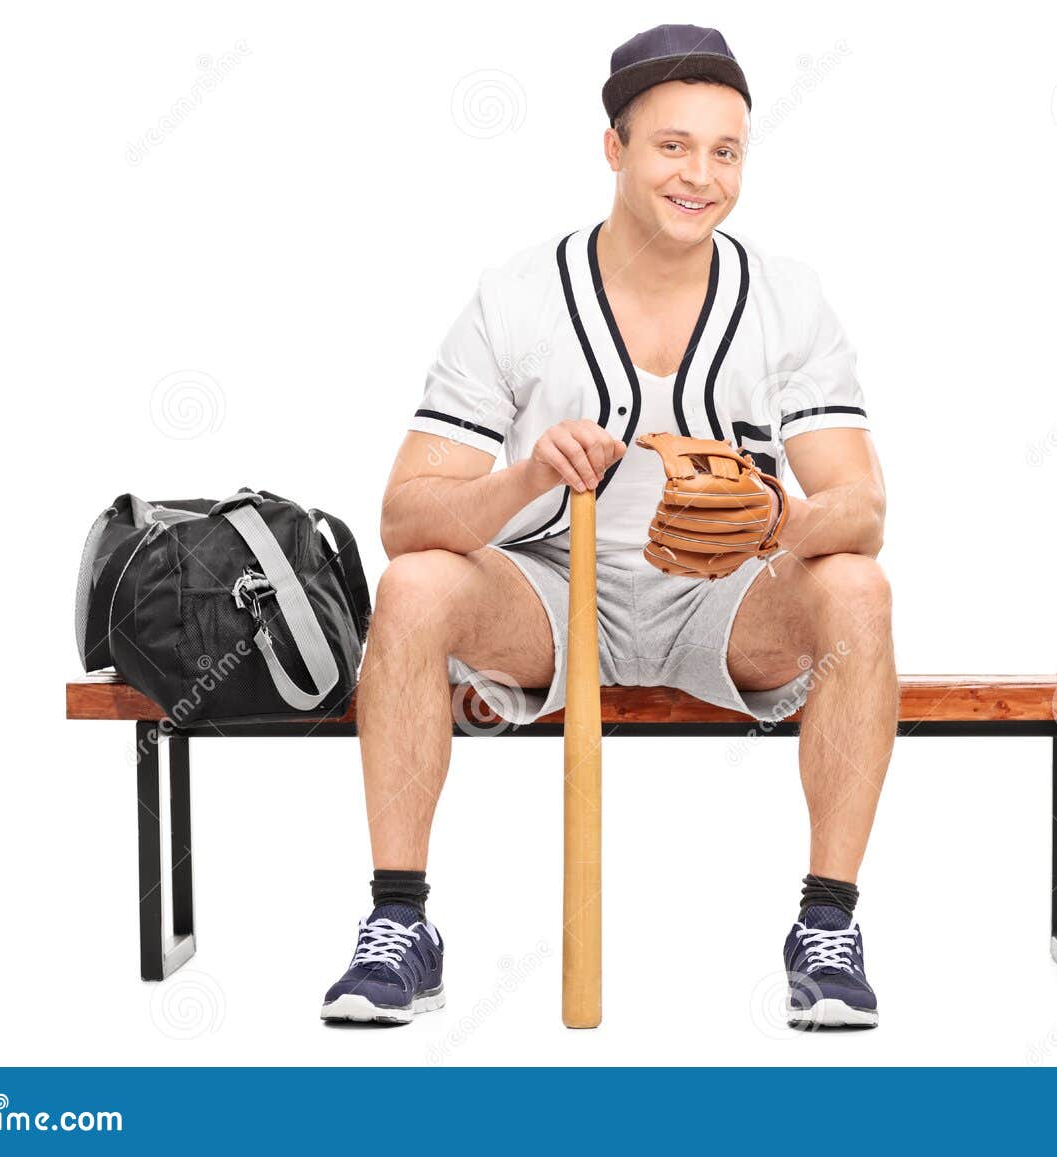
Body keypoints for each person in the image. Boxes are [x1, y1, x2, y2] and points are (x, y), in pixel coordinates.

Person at [321, 24, 894, 1029]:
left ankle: (827, 924)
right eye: (672, 144)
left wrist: (782, 518)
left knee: (854, 585)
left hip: (727, 598)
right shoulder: (518, 294)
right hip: (547, 592)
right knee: (414, 586)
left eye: (725, 151)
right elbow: (404, 516)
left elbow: (863, 510)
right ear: (614, 147)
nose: (700, 175)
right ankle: (400, 922)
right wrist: (525, 475)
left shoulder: (787, 299)